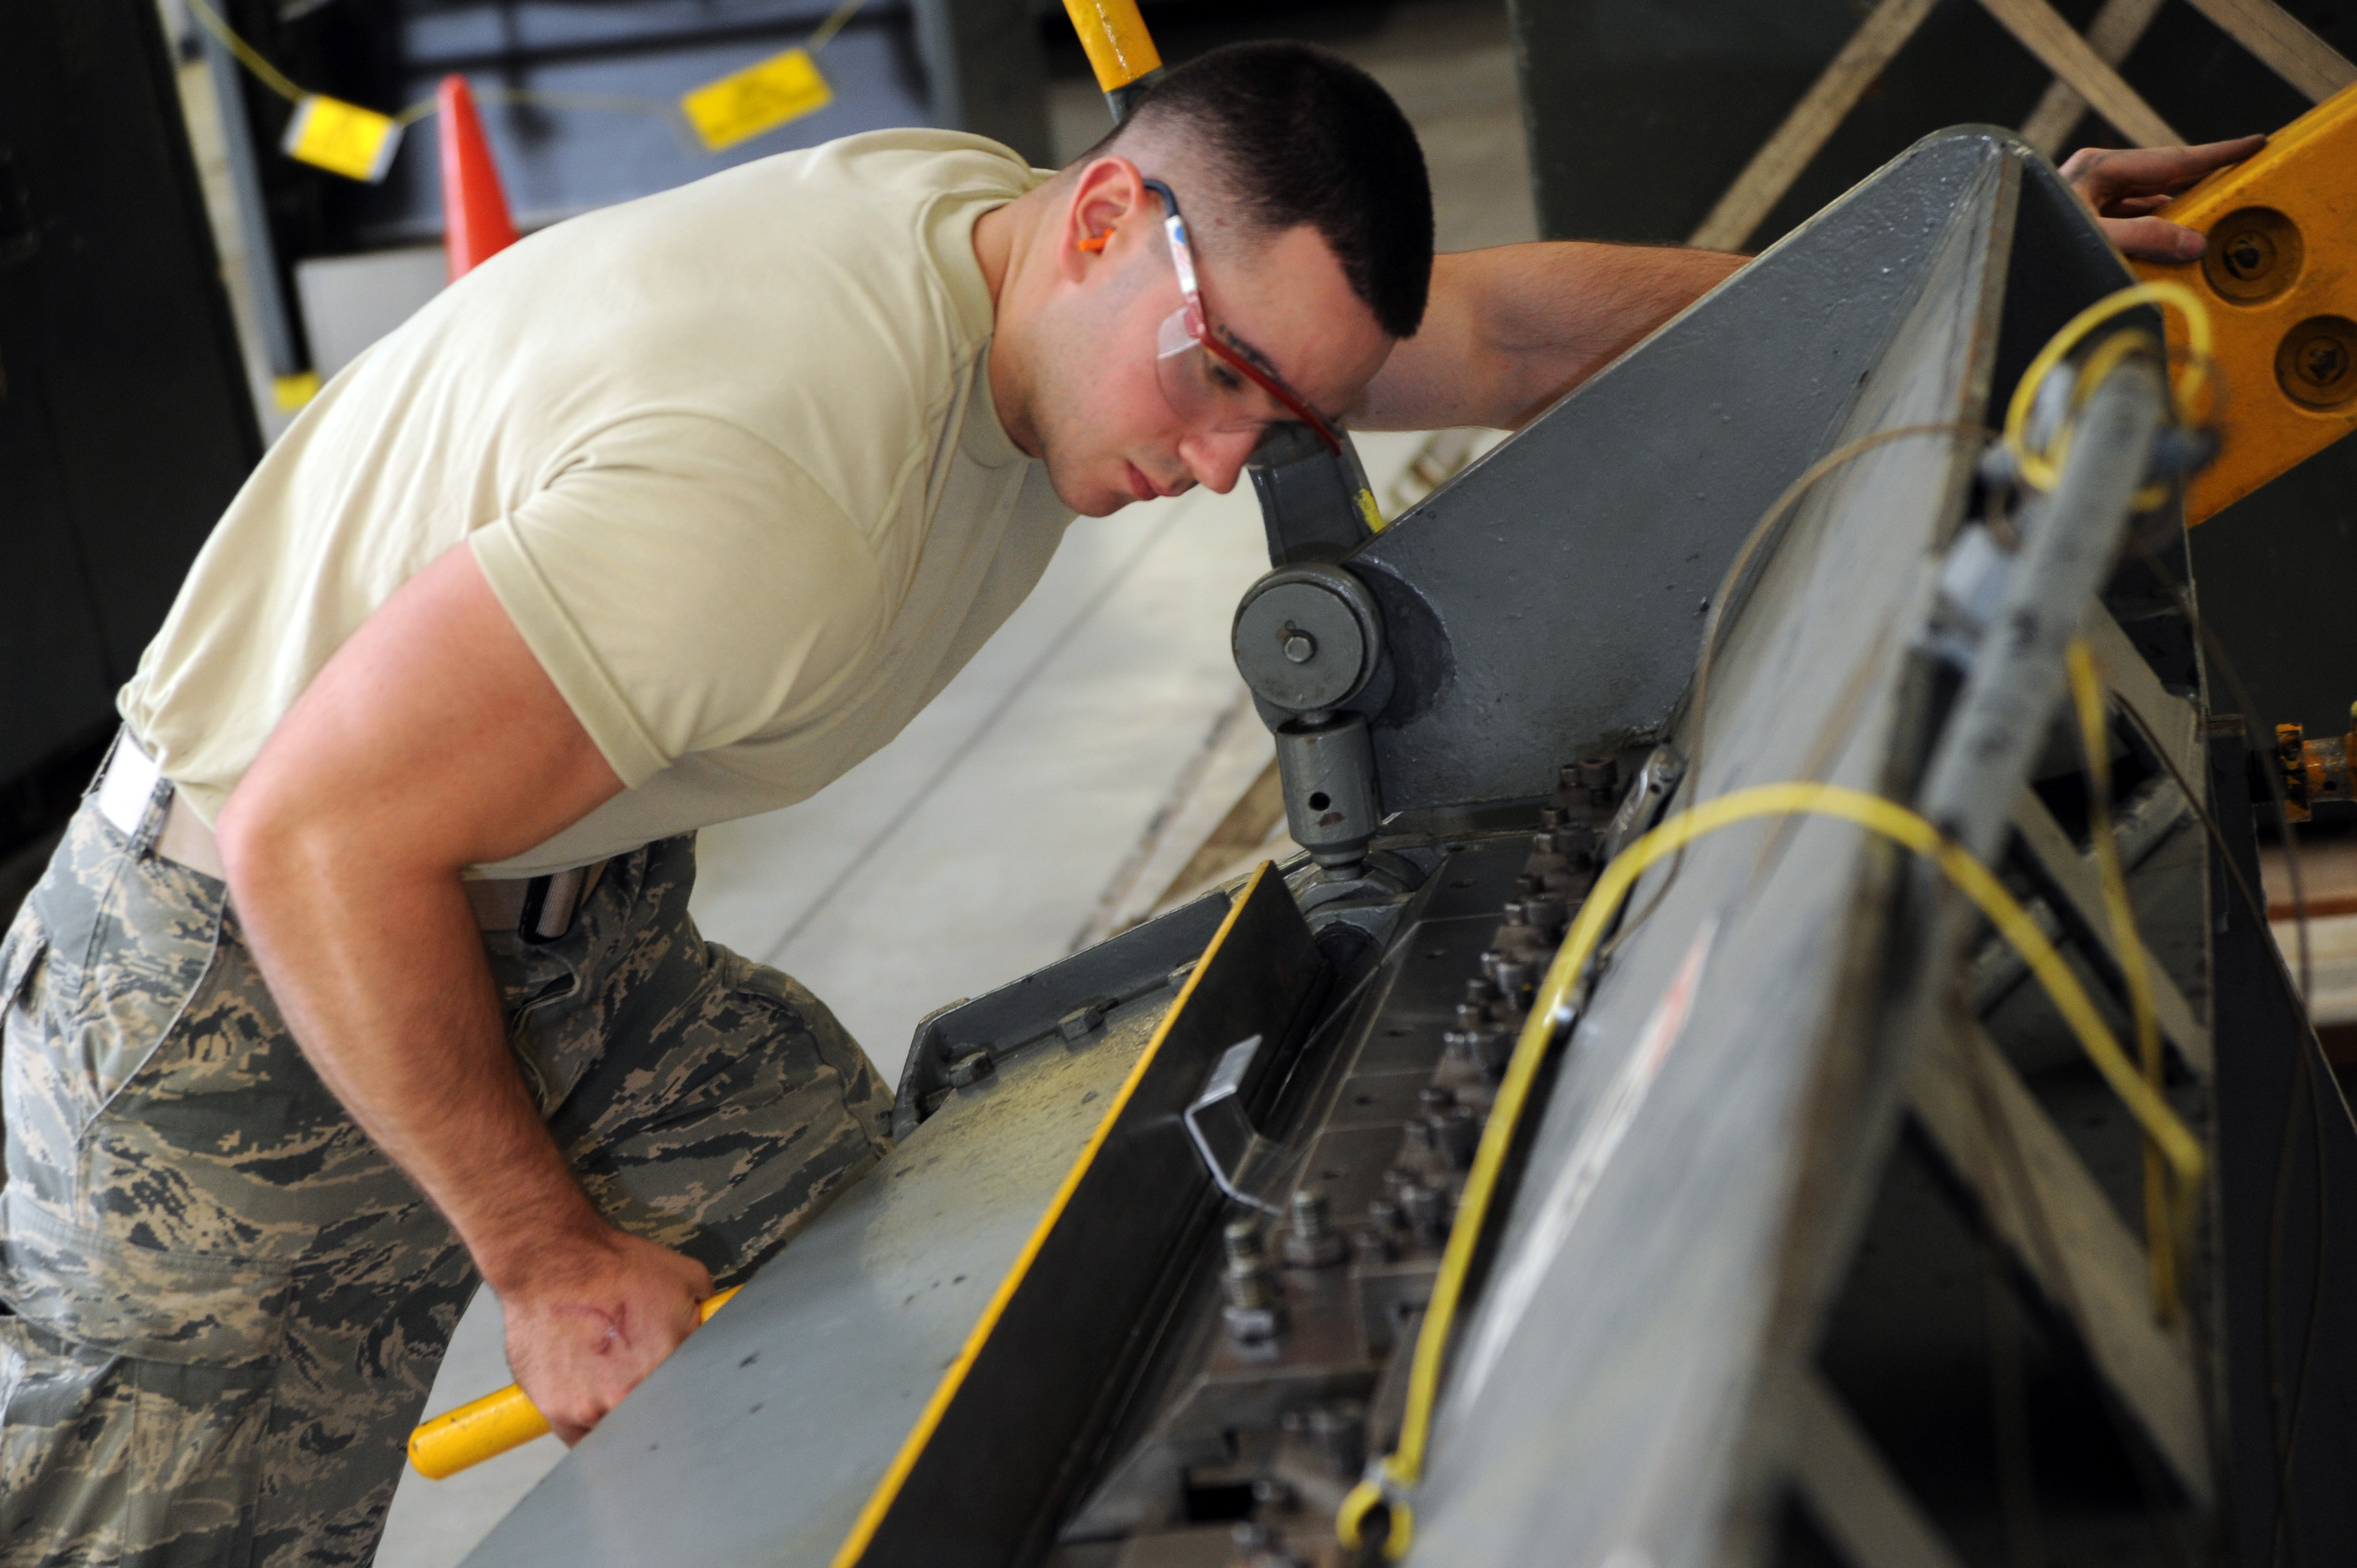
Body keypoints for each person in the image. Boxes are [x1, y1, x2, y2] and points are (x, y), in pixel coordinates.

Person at [0, 35, 2255, 1565]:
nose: (1209, 467)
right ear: (1101, 223)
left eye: (1268, 412)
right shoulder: (768, 480)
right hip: (231, 1004)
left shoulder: (1035, 258)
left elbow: (1509, 334)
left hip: (538, 905)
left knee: (891, 1291)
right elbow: (316, 838)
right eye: (1213, 386)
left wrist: (1947, 245)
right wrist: (550, 1260)